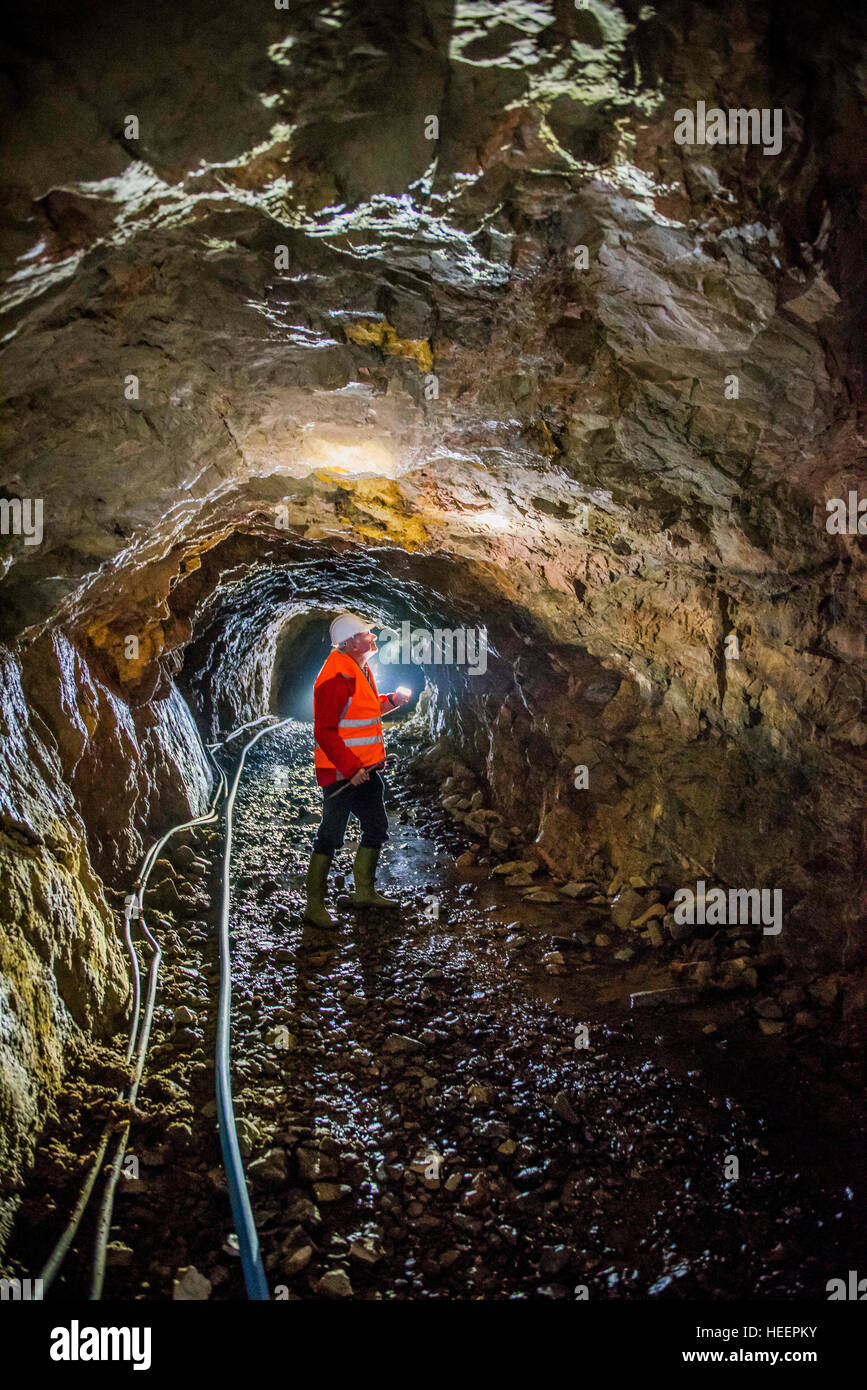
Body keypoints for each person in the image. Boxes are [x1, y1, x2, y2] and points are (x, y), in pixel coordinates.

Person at [304, 612, 410, 928]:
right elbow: (324, 731)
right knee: (331, 835)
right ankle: (314, 905)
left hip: (366, 769)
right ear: (351, 642)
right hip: (342, 773)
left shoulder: (358, 668)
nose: (373, 638)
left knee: (376, 826)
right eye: (367, 635)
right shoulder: (336, 679)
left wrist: (392, 700)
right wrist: (350, 769)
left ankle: (364, 892)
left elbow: (363, 708)